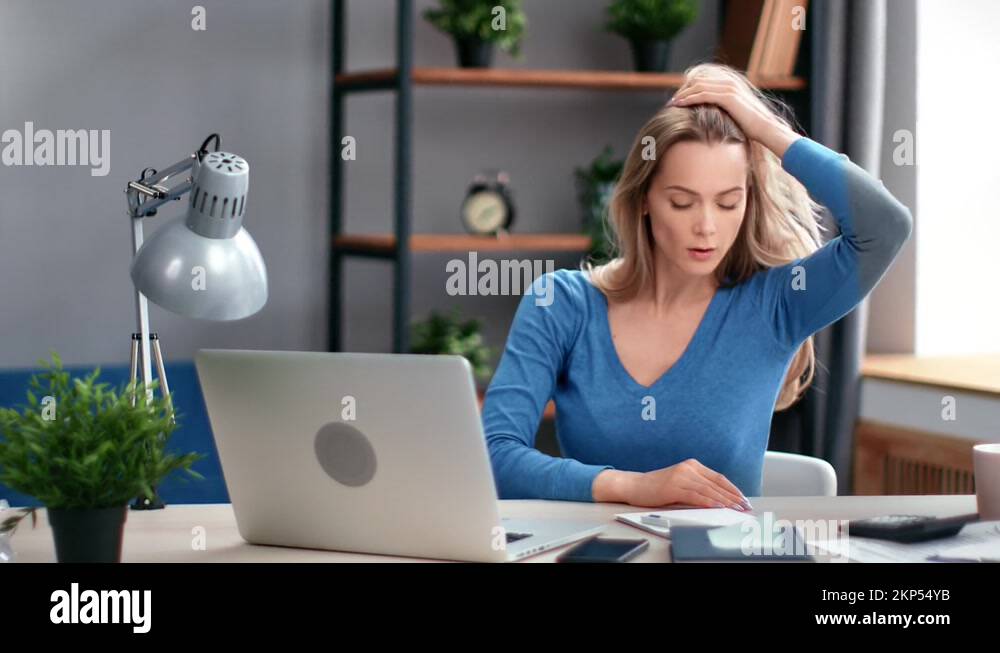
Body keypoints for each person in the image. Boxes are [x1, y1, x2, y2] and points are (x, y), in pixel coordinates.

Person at [481, 62, 913, 508]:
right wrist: (631, 487)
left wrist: (764, 128)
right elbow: (495, 458)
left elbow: (886, 227)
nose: (706, 226)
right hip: (598, 546)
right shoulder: (562, 304)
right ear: (644, 200)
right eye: (682, 202)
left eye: (728, 203)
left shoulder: (778, 303)